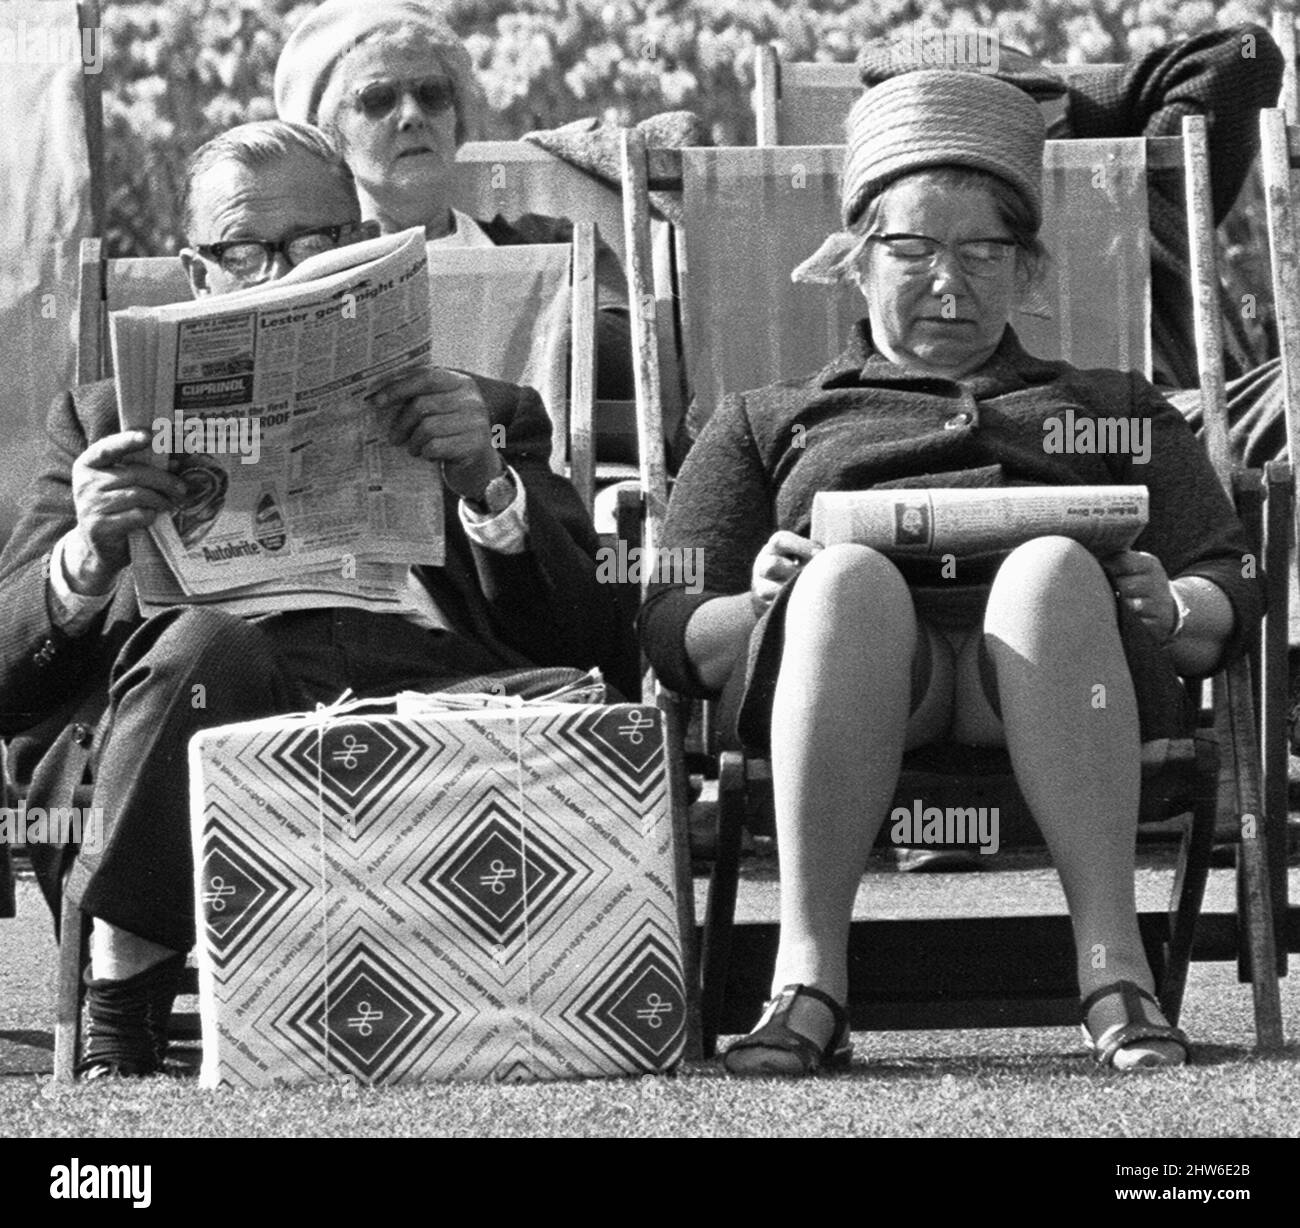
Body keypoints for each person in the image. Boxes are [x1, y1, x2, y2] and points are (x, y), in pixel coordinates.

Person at [639, 70, 1263, 1075]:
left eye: (984, 253)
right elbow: (667, 619)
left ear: (1027, 270)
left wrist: (1171, 602)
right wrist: (754, 601)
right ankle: (807, 981)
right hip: (855, 670)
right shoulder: (765, 417)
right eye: (913, 251)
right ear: (852, 260)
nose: (949, 285)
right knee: (844, 585)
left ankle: (1116, 973)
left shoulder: (1105, 404)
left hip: (1063, 672)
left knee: (1054, 570)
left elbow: (1227, 582)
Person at [0, 119, 635, 1077]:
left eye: (315, 247)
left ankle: (129, 988)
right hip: (192, 709)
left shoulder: (479, 410)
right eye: (245, 252)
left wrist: (487, 485)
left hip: (420, 695)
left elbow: (603, 642)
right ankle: (122, 999)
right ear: (196, 269)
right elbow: (6, 674)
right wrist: (89, 557)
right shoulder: (100, 420)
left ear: (364, 251)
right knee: (207, 650)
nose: (280, 273)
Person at [272, 0, 635, 406]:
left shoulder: (556, 246)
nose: (412, 115)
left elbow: (627, 367)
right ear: (328, 134)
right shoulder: (296, 262)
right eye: (378, 99)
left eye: (433, 94)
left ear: (457, 119)